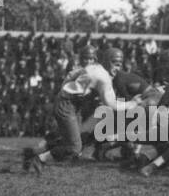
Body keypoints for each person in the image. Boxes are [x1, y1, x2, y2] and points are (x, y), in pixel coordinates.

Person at [22, 44, 138, 172]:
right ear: (106, 61)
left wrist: (71, 91)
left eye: (120, 64)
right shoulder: (103, 77)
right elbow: (111, 104)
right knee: (74, 148)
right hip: (67, 105)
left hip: (68, 103)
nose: (118, 68)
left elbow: (71, 76)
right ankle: (39, 159)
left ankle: (32, 153)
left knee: (71, 140)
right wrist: (132, 103)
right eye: (115, 63)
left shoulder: (95, 68)